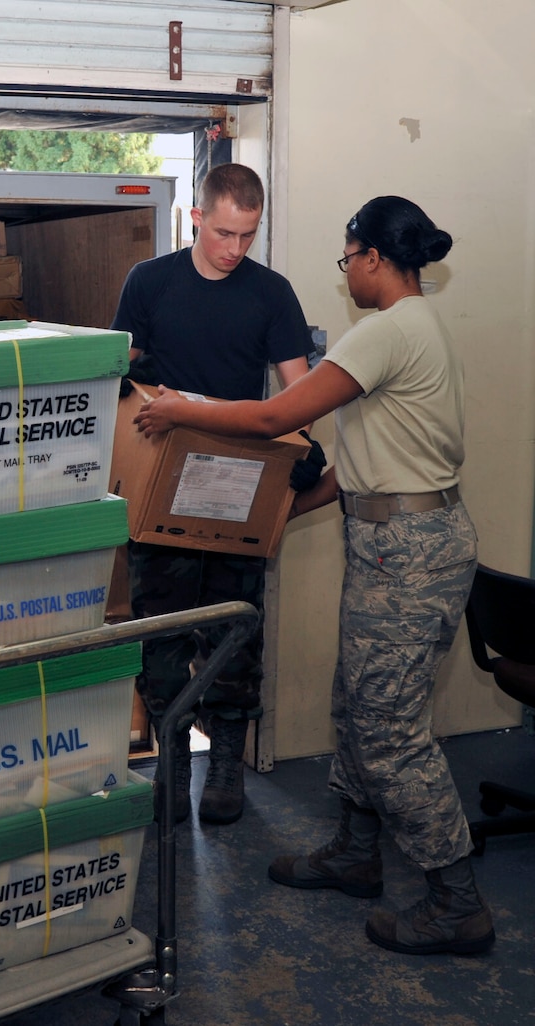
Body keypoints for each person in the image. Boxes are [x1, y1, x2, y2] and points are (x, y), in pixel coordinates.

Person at [134, 195, 493, 956]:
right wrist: (282, 513)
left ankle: (456, 901)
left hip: (410, 550)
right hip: (392, 537)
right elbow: (371, 463)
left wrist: (179, 411)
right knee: (357, 707)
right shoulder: (413, 327)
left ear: (372, 257)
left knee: (388, 729)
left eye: (348, 259)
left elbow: (275, 418)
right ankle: (357, 853)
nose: (347, 274)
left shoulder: (389, 331)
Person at [110, 162, 322, 825]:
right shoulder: (149, 281)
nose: (235, 248)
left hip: (238, 484)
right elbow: (120, 376)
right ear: (197, 217)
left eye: (248, 235)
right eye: (224, 232)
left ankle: (226, 763)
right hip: (162, 484)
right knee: (161, 633)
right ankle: (173, 764)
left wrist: (303, 445)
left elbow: (298, 391)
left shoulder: (272, 293)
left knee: (235, 630)